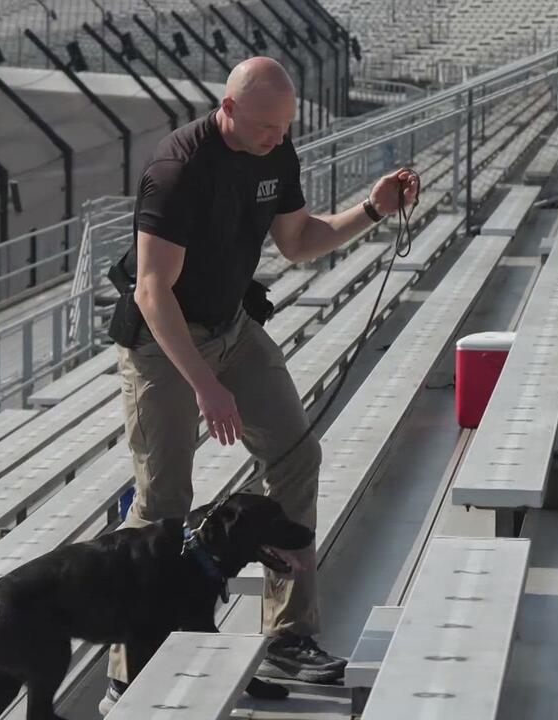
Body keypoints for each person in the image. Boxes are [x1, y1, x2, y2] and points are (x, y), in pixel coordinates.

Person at [99, 56, 419, 715]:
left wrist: (371, 209)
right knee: (165, 500)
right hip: (165, 342)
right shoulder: (179, 167)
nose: (278, 137)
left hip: (230, 325)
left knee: (297, 453)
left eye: (285, 126)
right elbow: (152, 291)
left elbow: (299, 241)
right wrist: (205, 387)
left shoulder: (276, 152)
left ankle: (289, 635)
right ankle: (128, 661)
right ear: (228, 108)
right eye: (267, 127)